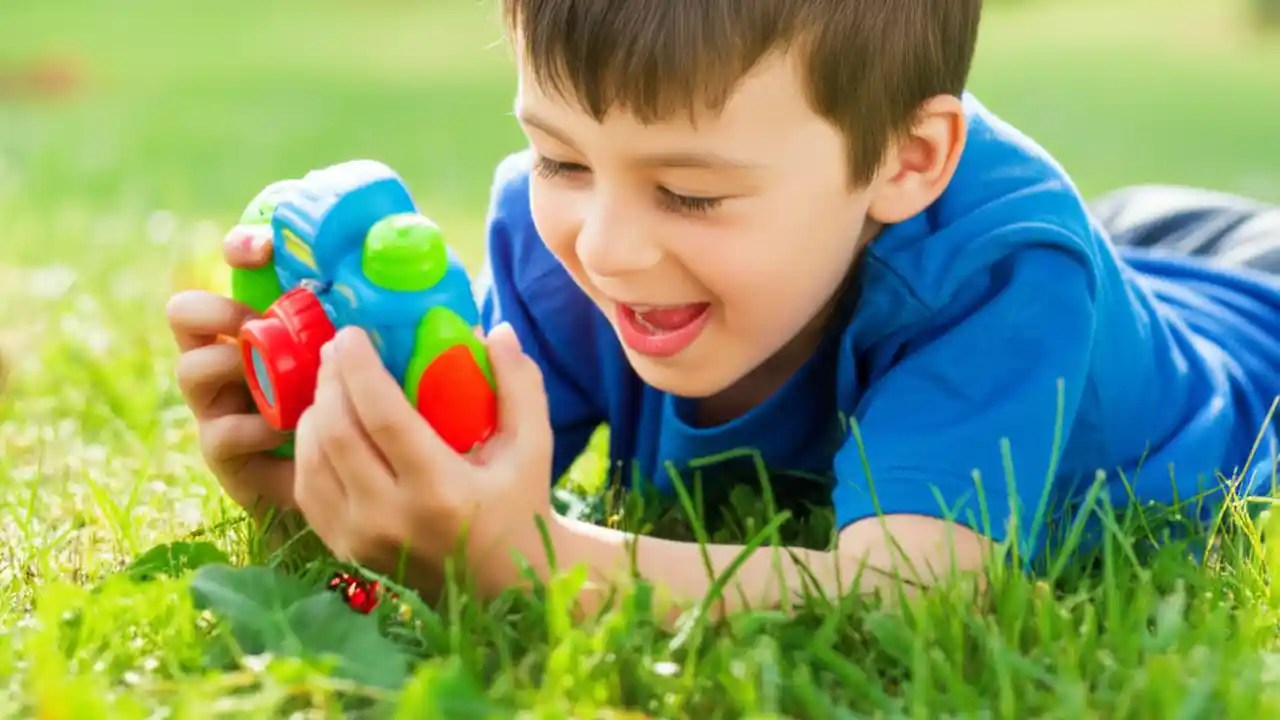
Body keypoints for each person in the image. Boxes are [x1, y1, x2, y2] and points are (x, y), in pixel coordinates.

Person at [166, 0, 1280, 621]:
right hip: (1138, 250)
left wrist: (532, 561)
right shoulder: (558, 242)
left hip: (1246, 313)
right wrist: (319, 494)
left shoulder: (1002, 277)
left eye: (689, 191)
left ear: (905, 159)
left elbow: (914, 593)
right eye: (558, 156)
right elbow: (463, 496)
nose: (604, 246)